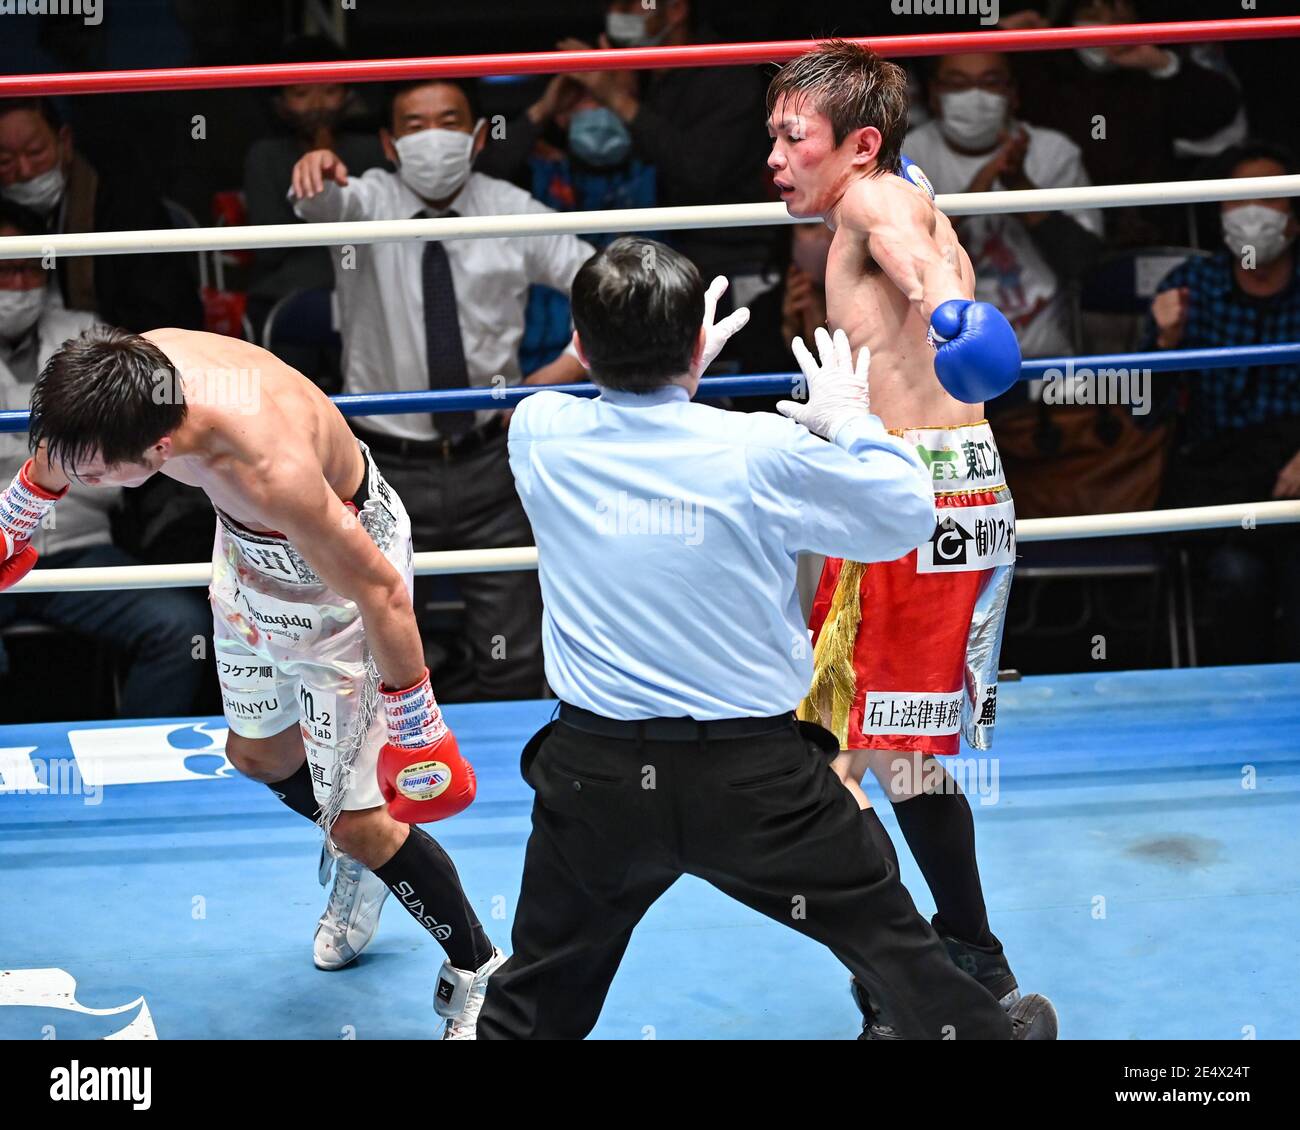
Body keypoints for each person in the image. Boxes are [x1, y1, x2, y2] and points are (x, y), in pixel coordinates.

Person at [478, 236, 1026, 1041]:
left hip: (597, 781)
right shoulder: (759, 450)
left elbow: (567, 383)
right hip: (755, 784)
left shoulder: (540, 433)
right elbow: (907, 511)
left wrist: (644, 351)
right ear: (697, 344)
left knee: (529, 1010)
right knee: (902, 955)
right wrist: (852, 422)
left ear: (585, 345)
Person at [0, 326, 503, 1039]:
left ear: (158, 454)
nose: (73, 480)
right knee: (258, 756)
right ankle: (364, 859)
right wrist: (12, 522)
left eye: (94, 474)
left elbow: (382, 593)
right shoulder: (124, 380)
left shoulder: (271, 468)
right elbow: (66, 438)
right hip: (246, 558)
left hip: (343, 586)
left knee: (362, 823)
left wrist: (419, 729)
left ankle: (481, 966)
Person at [765, 40, 1055, 1037]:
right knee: (894, 754)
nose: (774, 157)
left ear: (859, 143)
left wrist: (950, 309)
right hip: (934, 500)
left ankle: (916, 984)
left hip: (907, 506)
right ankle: (966, 957)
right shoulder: (899, 184)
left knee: (828, 764)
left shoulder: (871, 202)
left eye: (791, 136)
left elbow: (913, 255)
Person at [290, 78, 594, 703]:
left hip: (491, 463)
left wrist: (559, 371)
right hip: (378, 468)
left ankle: (511, 794)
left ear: (479, 136)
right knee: (376, 659)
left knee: (513, 658)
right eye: (415, 124)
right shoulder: (363, 201)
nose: (433, 136)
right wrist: (316, 168)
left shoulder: (510, 208)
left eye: (449, 120)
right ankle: (393, 792)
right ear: (389, 142)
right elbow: (319, 206)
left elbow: (607, 288)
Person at [0, 199, 209, 719]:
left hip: (82, 547)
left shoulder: (89, 339)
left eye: (28, 269)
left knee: (180, 628)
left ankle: (132, 764)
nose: (17, 285)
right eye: (5, 270)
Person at [1147, 140, 1300, 664]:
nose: (1250, 212)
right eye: (1237, 200)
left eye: (1268, 198)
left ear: (1294, 218)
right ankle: (1246, 703)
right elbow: (1142, 414)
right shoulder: (1191, 287)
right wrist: (1164, 344)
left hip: (1295, 482)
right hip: (1224, 491)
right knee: (1237, 579)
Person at [558, 0, 778, 305]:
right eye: (612, 6)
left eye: (630, 5)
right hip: (657, 257)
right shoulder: (638, 72)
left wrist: (615, 97)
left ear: (675, 10)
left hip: (731, 262)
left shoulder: (725, 71)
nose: (616, 15)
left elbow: (700, 171)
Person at [905, 50, 1103, 360]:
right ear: (934, 94)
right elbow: (903, 260)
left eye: (991, 82)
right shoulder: (909, 154)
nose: (974, 95)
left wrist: (1020, 188)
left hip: (1042, 358)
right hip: (941, 362)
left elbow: (1083, 264)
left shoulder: (1053, 152)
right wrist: (979, 189)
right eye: (958, 84)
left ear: (1012, 94)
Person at [243, 36, 388, 355]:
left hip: (367, 284)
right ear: (280, 102)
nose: (318, 105)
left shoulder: (372, 150)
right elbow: (269, 246)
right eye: (301, 94)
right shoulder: (266, 155)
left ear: (349, 96)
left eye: (330, 91)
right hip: (290, 290)